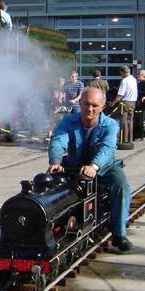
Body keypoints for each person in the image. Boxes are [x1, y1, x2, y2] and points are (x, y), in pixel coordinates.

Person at [48, 87, 133, 252]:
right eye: (86, 104)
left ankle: (118, 234)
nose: (90, 108)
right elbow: (58, 140)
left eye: (95, 105)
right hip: (73, 166)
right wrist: (55, 161)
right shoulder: (68, 121)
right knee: (47, 182)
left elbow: (107, 148)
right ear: (80, 103)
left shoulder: (111, 125)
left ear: (102, 107)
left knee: (121, 186)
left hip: (105, 167)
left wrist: (94, 166)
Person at [108, 66, 138, 143]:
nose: (120, 75)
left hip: (125, 103)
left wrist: (113, 103)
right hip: (133, 102)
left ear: (123, 72)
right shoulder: (134, 79)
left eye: (121, 73)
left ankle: (124, 140)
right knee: (130, 121)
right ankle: (130, 139)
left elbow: (120, 94)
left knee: (123, 121)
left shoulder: (124, 81)